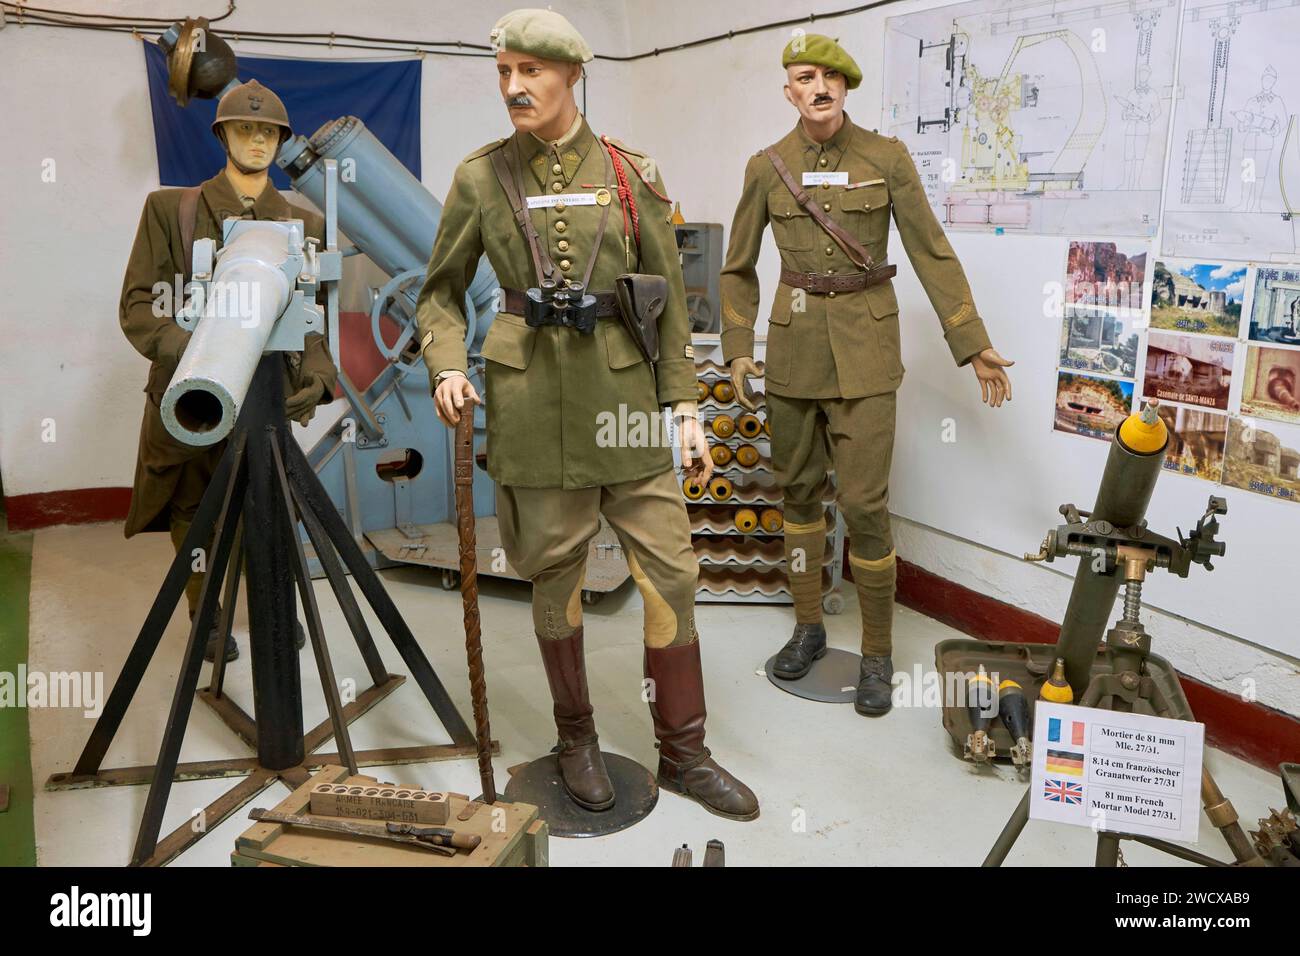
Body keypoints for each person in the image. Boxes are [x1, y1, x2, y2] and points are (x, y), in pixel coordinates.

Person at [416, 8, 758, 820]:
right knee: (554, 576)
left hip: (628, 399)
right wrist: (446, 366)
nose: (514, 87)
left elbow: (672, 299)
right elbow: (437, 294)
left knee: (672, 571)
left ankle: (685, 752)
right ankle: (577, 738)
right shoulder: (480, 177)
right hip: (531, 400)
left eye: (531, 71)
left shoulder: (630, 172)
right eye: (504, 72)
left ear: (572, 75)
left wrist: (684, 406)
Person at [720, 35, 1013, 716]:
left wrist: (972, 343)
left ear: (845, 86)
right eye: (803, 77)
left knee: (864, 506)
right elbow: (736, 267)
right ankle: (808, 629)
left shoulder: (886, 159)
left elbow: (931, 253)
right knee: (795, 498)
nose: (817, 88)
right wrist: (738, 345)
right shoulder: (767, 167)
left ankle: (878, 653)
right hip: (792, 354)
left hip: (868, 353)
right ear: (787, 90)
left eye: (829, 77)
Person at [119, 79, 336, 662]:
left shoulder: (302, 225)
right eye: (245, 129)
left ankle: (273, 610)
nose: (258, 141)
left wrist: (317, 375)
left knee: (267, 502)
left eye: (268, 132)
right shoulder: (172, 211)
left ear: (281, 140)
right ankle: (205, 616)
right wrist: (193, 353)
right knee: (193, 511)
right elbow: (140, 305)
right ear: (223, 135)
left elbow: (315, 316)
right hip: (189, 395)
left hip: (264, 394)